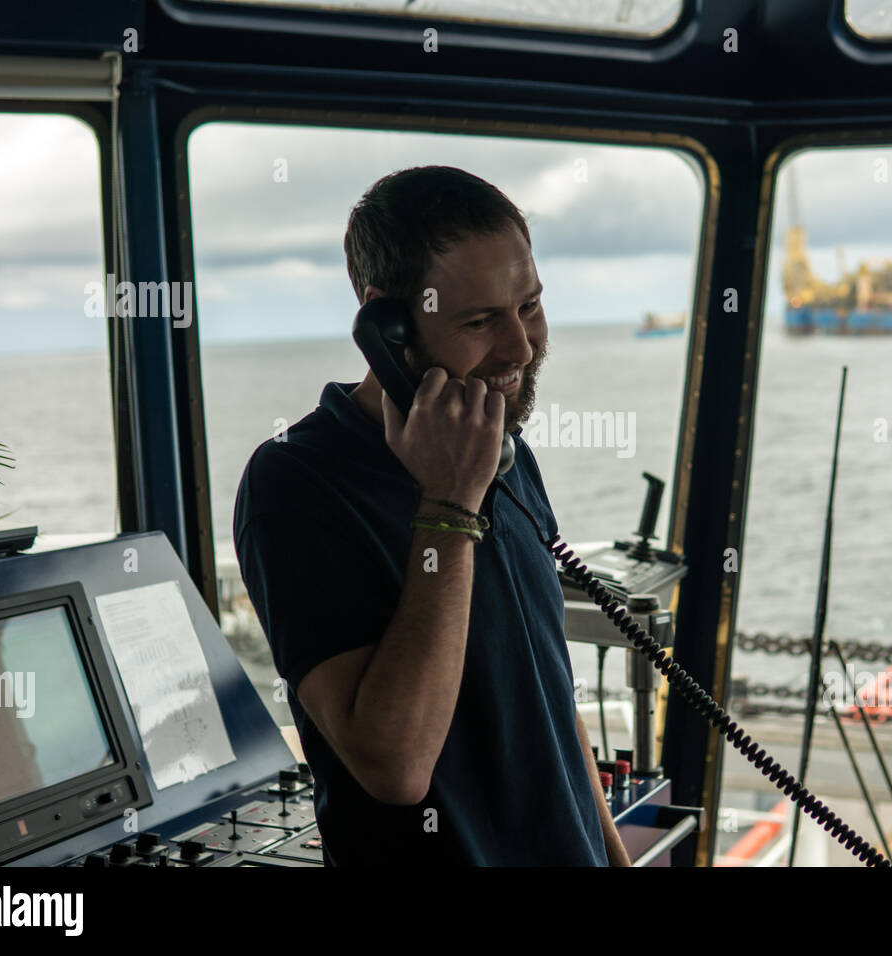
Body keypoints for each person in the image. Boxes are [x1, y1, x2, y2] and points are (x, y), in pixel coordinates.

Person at [233, 165, 631, 866]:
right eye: (478, 321)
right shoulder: (296, 482)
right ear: (386, 324)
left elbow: (549, 700)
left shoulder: (502, 453)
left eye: (529, 306)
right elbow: (394, 764)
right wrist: (448, 506)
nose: (520, 347)